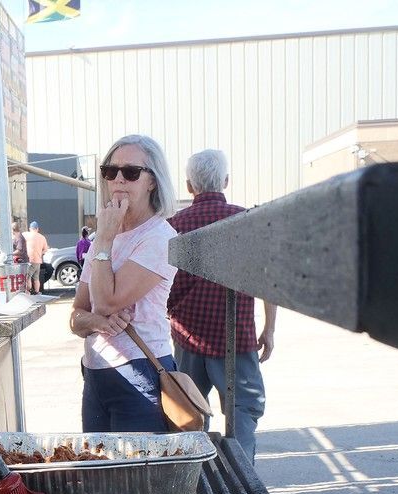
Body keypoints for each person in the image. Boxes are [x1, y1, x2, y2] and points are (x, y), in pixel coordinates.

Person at [167, 149, 276, 462]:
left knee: (189, 414)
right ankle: (243, 476)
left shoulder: (173, 226)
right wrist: (269, 329)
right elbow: (267, 278)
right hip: (237, 337)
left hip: (188, 339)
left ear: (189, 186)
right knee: (243, 410)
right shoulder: (246, 222)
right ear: (226, 181)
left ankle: (194, 478)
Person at [70, 134, 178, 431]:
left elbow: (107, 301)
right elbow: (76, 316)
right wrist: (97, 322)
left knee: (139, 462)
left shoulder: (159, 237)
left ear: (152, 181)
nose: (118, 179)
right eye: (110, 171)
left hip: (140, 371)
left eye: (130, 172)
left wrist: (105, 238)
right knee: (97, 461)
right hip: (96, 371)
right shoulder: (104, 236)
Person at [25, 220, 49, 294]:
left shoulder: (27, 235)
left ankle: (28, 291)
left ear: (30, 228)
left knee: (28, 277)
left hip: (30, 260)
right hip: (38, 261)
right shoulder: (42, 237)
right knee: (36, 278)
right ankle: (37, 292)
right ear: (37, 229)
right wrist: (40, 253)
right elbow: (46, 249)